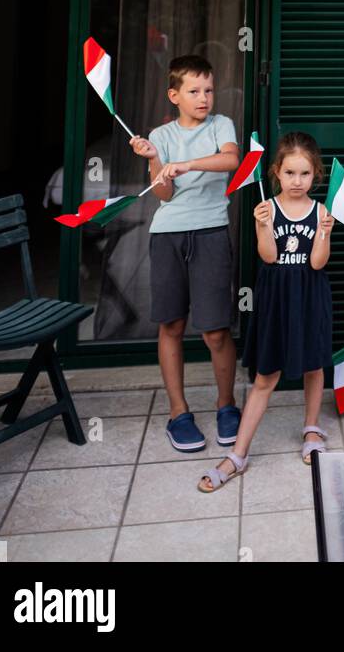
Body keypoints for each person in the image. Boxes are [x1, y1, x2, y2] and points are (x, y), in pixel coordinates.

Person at [196, 131, 334, 492]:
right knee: (265, 376)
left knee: (313, 365)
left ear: (315, 174)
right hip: (276, 299)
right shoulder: (268, 208)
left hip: (309, 295)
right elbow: (269, 256)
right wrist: (262, 225)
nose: (297, 182)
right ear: (276, 172)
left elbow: (318, 263)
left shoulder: (321, 212)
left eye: (305, 174)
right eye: (290, 173)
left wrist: (324, 233)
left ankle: (311, 428)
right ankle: (238, 455)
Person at [130, 54, 241, 453]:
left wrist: (185, 163)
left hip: (211, 232)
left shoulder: (220, 125)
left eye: (208, 89)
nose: (204, 97)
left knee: (215, 330)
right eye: (194, 91)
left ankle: (226, 405)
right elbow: (163, 193)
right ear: (174, 95)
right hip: (168, 237)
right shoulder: (159, 136)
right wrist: (156, 160)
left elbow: (232, 160)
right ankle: (178, 412)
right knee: (172, 325)